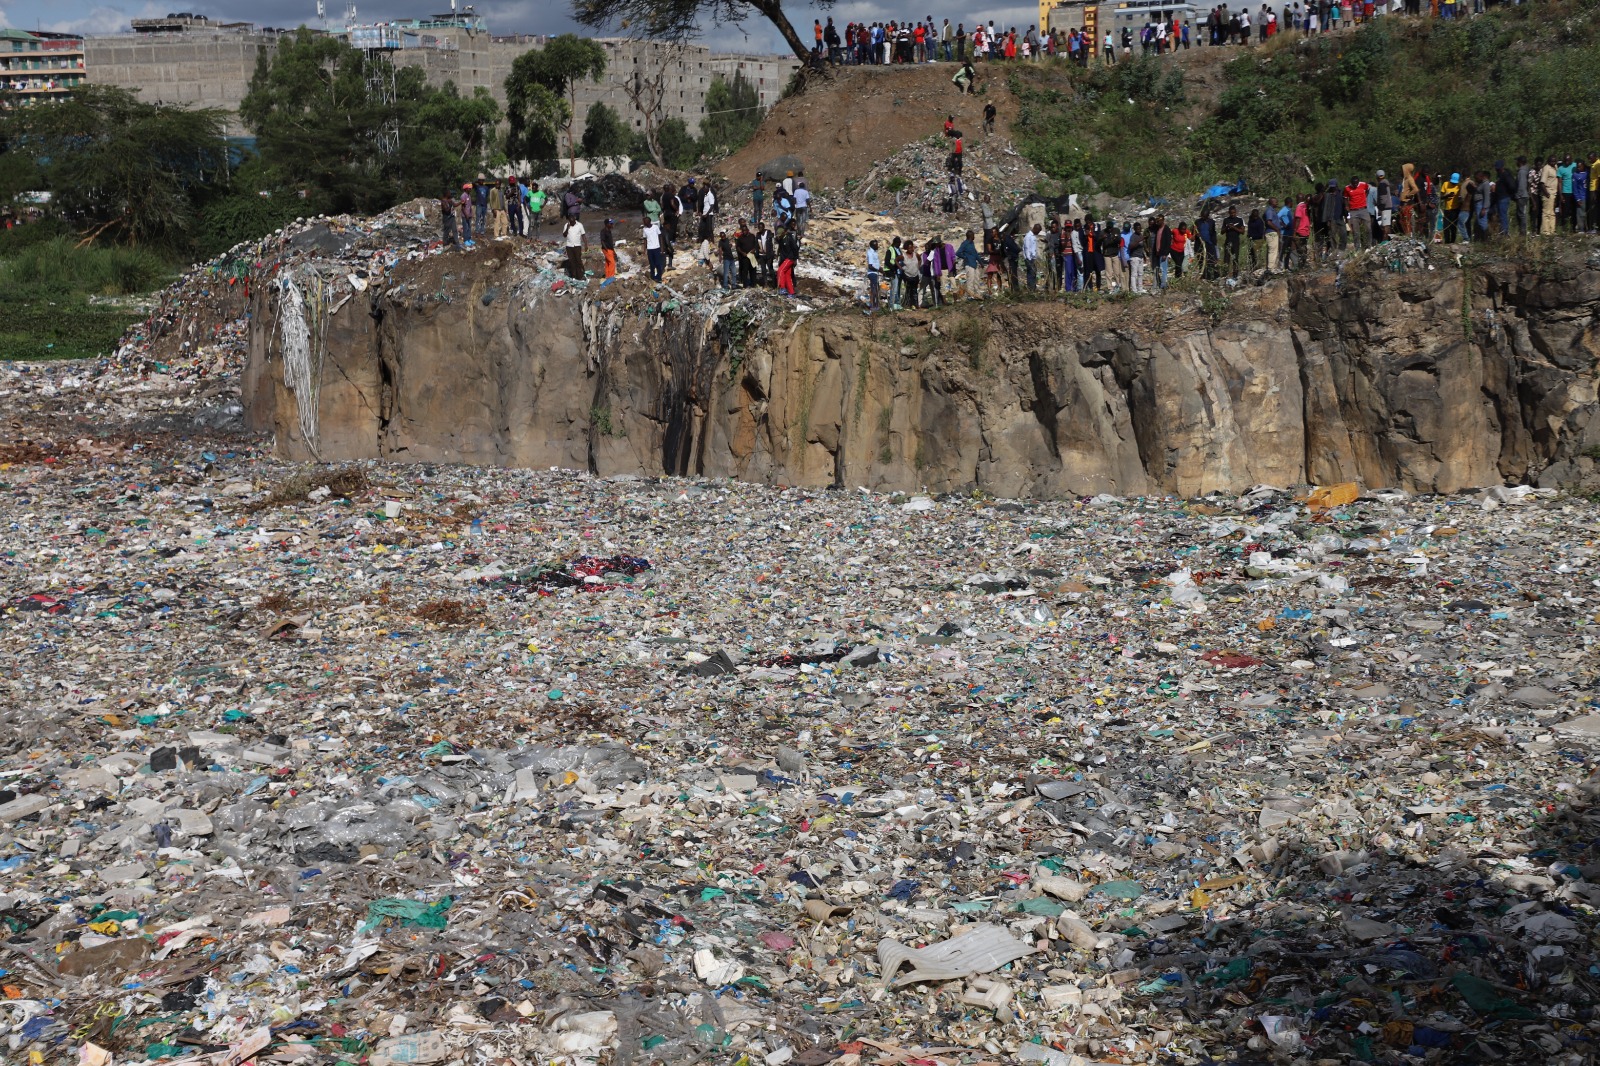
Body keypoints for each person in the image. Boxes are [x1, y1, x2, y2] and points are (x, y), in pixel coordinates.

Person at [956, 230, 982, 298]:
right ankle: (970, 295)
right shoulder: (965, 244)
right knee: (970, 280)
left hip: (974, 264)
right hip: (969, 264)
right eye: (973, 235)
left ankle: (977, 294)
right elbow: (958, 253)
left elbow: (975, 254)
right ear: (970, 236)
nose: (974, 237)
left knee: (976, 279)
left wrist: (981, 262)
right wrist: (965, 257)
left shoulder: (972, 243)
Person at [777, 223, 800, 296]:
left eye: (780, 234)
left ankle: (782, 288)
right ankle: (791, 292)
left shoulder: (789, 238)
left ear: (784, 232)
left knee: (780, 271)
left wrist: (795, 259)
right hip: (785, 258)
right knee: (787, 275)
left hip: (790, 258)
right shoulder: (781, 239)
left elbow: (795, 248)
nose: (779, 236)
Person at [1539, 156, 1559, 235]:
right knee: (1546, 212)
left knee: (1552, 213)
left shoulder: (1556, 167)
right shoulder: (1546, 168)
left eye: (1554, 161)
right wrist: (1547, 194)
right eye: (1551, 161)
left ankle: (1552, 230)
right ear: (1548, 161)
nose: (1553, 163)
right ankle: (1545, 231)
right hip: (1548, 192)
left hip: (1554, 193)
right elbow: (1542, 183)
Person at [563, 214, 586, 279]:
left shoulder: (580, 225)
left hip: (577, 246)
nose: (571, 223)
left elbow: (583, 235)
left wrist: (586, 244)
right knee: (572, 261)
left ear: (575, 218)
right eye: (570, 221)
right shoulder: (566, 225)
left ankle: (581, 275)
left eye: (572, 221)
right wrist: (567, 228)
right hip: (569, 246)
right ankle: (574, 275)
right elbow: (564, 235)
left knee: (578, 260)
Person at [900, 239, 921, 308]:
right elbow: (896, 260)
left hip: (915, 275)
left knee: (915, 290)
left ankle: (915, 304)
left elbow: (919, 260)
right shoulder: (903, 256)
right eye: (909, 248)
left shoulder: (916, 255)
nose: (911, 249)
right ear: (906, 248)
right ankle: (908, 305)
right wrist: (901, 268)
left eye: (912, 247)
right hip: (907, 276)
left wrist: (918, 267)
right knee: (908, 291)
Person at [736, 222, 758, 288]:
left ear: (747, 230)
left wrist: (754, 249)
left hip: (752, 256)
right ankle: (745, 285)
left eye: (745, 230)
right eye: (743, 231)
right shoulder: (740, 238)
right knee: (745, 271)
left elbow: (756, 244)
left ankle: (753, 284)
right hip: (745, 257)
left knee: (753, 270)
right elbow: (738, 247)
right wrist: (742, 253)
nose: (744, 232)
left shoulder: (752, 236)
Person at [643, 215, 665, 281]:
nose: (644, 223)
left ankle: (659, 277)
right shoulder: (644, 229)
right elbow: (645, 240)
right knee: (652, 264)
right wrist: (644, 249)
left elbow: (660, 237)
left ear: (649, 222)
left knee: (658, 263)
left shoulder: (655, 227)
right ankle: (652, 277)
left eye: (645, 222)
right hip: (650, 249)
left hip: (656, 248)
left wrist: (662, 248)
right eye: (644, 222)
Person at [756, 222, 776, 286]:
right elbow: (757, 244)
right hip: (761, 256)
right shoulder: (758, 235)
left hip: (769, 255)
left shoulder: (769, 233)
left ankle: (774, 283)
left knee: (770, 269)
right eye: (759, 228)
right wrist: (758, 253)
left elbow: (772, 243)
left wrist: (772, 253)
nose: (760, 229)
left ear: (764, 227)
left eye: (761, 227)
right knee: (763, 270)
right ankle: (765, 283)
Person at [866, 239, 882, 313]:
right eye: (876, 245)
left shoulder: (875, 252)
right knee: (874, 290)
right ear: (873, 245)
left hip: (875, 273)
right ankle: (873, 306)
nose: (878, 246)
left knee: (876, 289)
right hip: (872, 273)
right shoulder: (870, 253)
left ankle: (875, 305)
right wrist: (878, 270)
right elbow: (870, 266)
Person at [1023, 223, 1040, 291]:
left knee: (1033, 273)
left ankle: (1033, 287)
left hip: (1032, 258)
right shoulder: (1028, 236)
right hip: (1029, 259)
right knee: (1031, 274)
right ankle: (1031, 289)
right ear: (1035, 229)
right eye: (1038, 231)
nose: (1038, 233)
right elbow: (1027, 248)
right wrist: (1029, 259)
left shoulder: (1033, 236)